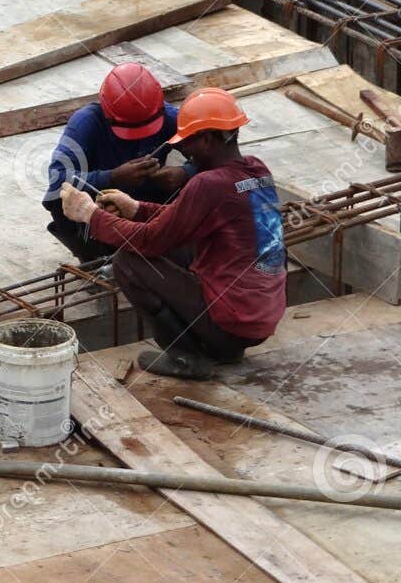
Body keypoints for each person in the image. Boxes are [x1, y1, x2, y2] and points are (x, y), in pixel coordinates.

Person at [60, 88, 287, 381]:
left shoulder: (208, 184)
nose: (184, 153)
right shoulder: (256, 171)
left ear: (208, 139)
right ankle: (225, 350)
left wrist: (90, 214)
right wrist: (136, 208)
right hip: (260, 318)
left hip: (233, 322)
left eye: (188, 143)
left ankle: (186, 358)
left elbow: (148, 241)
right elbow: (179, 221)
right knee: (189, 246)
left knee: (129, 262)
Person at [43, 62, 193, 263]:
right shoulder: (86, 122)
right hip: (102, 203)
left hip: (149, 202)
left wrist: (185, 173)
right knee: (60, 200)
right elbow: (57, 179)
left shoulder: (168, 116)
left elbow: (218, 159)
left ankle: (169, 248)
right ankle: (96, 258)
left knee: (204, 187)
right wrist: (111, 178)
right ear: (107, 114)